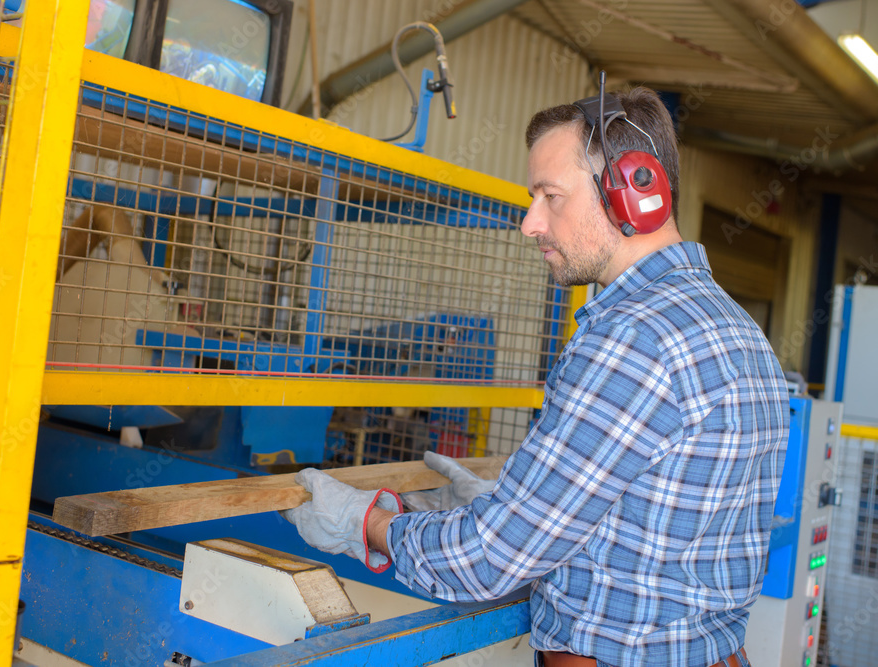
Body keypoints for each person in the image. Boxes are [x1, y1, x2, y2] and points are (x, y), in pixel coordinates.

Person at [284, 84, 789, 667]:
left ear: (635, 193)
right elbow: (653, 527)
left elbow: (487, 561)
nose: (530, 223)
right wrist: (516, 507)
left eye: (551, 196)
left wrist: (369, 524)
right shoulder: (736, 329)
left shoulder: (629, 339)